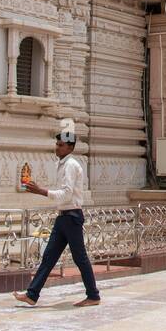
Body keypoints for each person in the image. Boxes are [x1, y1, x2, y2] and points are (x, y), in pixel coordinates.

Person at [13, 128, 101, 308]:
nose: (57, 148)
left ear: (70, 147)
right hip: (63, 217)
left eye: (61, 145)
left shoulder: (70, 165)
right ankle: (32, 294)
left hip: (71, 216)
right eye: (56, 144)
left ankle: (93, 295)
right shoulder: (61, 164)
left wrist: (42, 191)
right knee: (49, 257)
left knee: (80, 258)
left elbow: (67, 194)